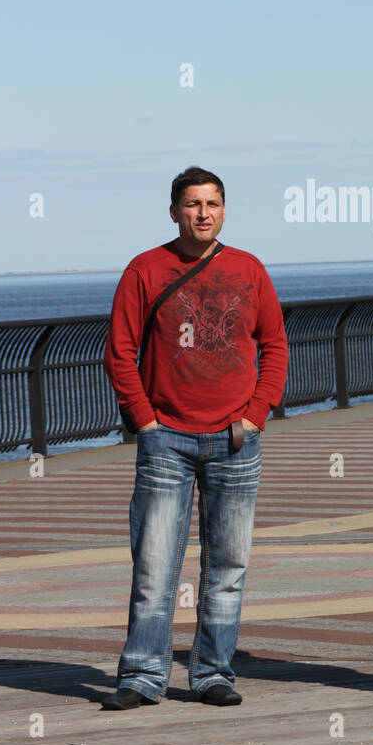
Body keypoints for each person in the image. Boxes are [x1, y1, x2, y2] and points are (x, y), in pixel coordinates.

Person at [102, 166, 288, 709]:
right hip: (167, 440)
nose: (202, 213)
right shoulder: (146, 269)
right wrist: (145, 420)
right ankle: (141, 677)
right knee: (154, 568)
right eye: (191, 204)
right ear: (174, 211)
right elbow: (120, 350)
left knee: (227, 568)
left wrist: (255, 414)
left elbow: (275, 344)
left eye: (212, 203)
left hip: (235, 440)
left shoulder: (249, 270)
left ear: (224, 210)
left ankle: (212, 673)